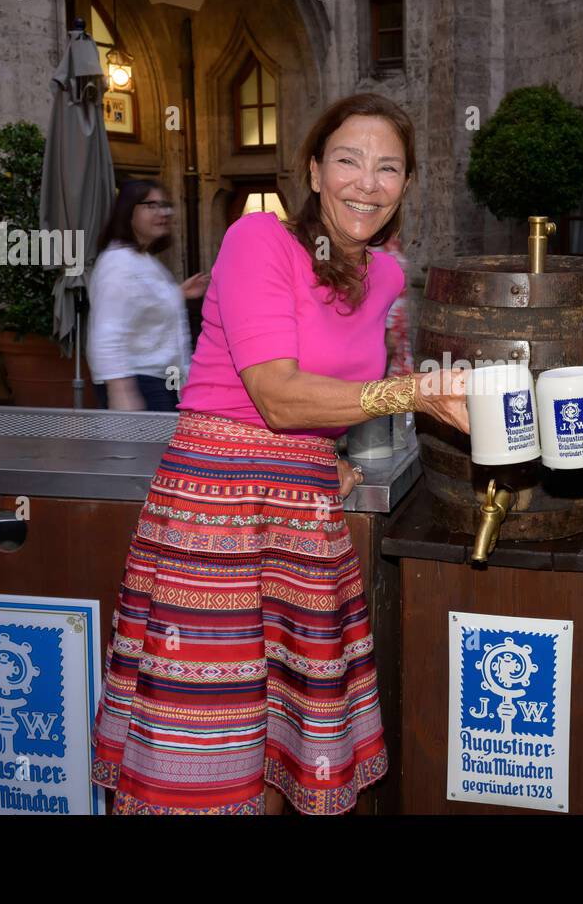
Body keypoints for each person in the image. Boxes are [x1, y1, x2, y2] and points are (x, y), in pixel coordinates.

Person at [91, 93, 468, 814]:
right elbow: (277, 397)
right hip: (214, 508)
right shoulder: (258, 240)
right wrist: (414, 396)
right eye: (349, 161)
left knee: (283, 740)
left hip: (304, 510)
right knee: (203, 739)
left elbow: (349, 390)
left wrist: (330, 452)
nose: (368, 182)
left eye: (389, 168)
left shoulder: (389, 274)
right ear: (315, 170)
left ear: (408, 185)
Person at [87, 180, 207, 412]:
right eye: (151, 205)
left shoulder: (144, 260)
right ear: (128, 212)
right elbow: (107, 332)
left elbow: (141, 304)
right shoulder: (118, 263)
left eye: (165, 205)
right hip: (138, 382)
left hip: (161, 380)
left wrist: (178, 293)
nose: (163, 212)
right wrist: (121, 390)